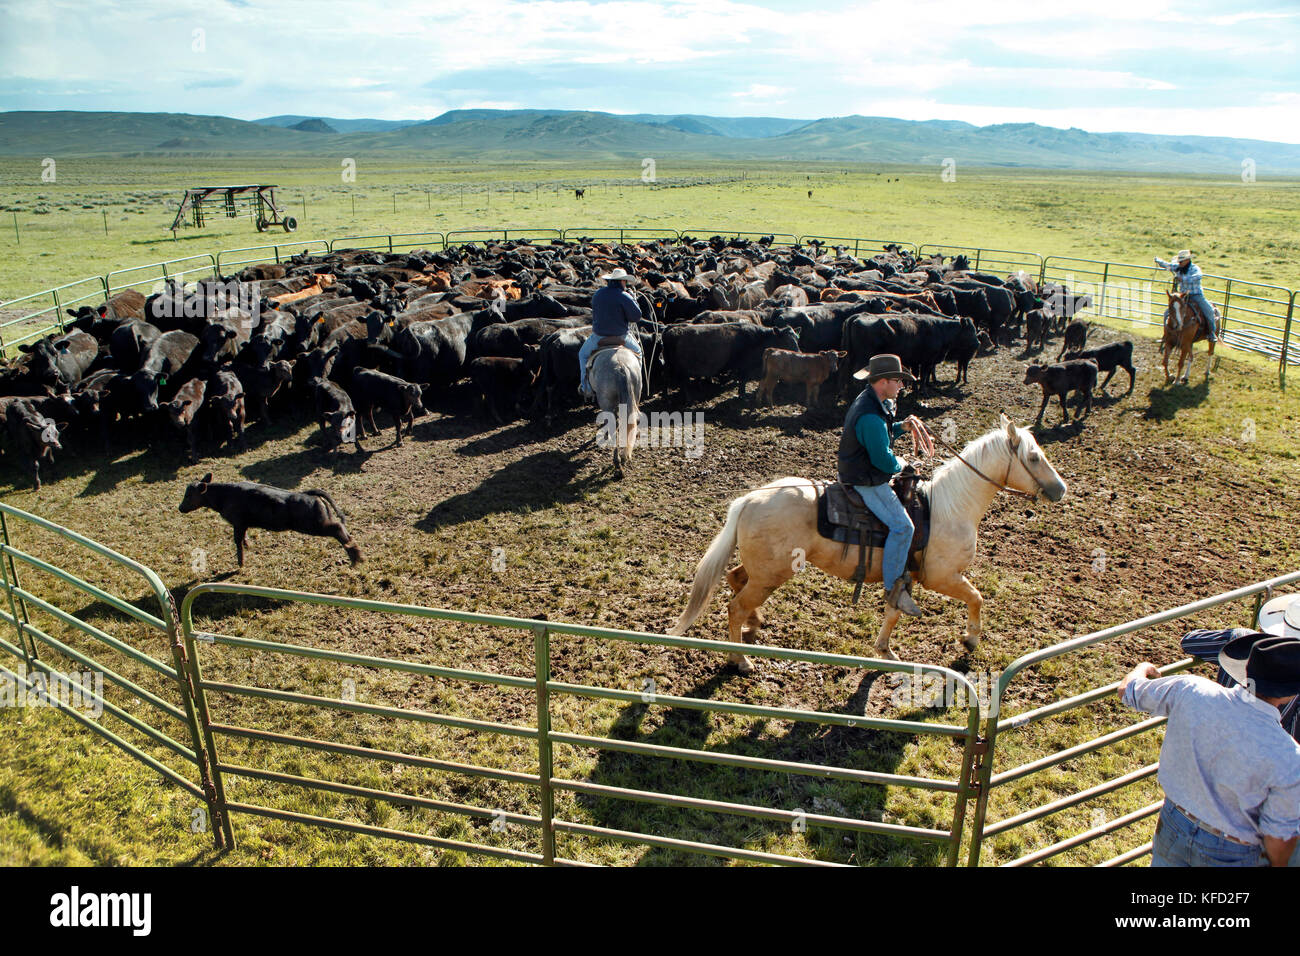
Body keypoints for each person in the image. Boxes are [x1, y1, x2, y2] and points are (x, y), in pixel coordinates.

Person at [1118, 633, 1300, 867]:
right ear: (1290, 694)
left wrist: (1141, 668)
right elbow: (1277, 841)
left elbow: (1128, 691)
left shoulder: (1191, 689)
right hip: (1233, 850)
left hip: (1175, 820)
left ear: (1247, 668)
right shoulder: (1289, 756)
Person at [837, 353, 933, 617]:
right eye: (897, 381)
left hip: (857, 472)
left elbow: (881, 436)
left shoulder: (871, 403)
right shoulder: (871, 415)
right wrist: (903, 465)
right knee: (903, 527)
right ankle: (893, 588)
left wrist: (901, 427)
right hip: (865, 480)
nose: (901, 386)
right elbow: (882, 459)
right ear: (882, 383)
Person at [579, 268, 644, 400]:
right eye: (625, 281)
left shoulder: (598, 294)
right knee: (639, 352)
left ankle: (586, 387)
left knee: (583, 355)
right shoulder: (624, 296)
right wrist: (633, 299)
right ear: (621, 281)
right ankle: (637, 384)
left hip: (599, 337)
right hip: (622, 337)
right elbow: (636, 317)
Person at [1154, 249, 1219, 343]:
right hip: (1183, 296)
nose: (1179, 263)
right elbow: (1168, 265)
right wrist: (1158, 260)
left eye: (1181, 261)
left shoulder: (1195, 268)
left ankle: (1211, 333)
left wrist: (1182, 278)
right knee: (1167, 312)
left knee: (1209, 311)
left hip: (1196, 295)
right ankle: (1166, 335)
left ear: (1187, 260)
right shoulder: (1179, 267)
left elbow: (1198, 276)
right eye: (1179, 261)